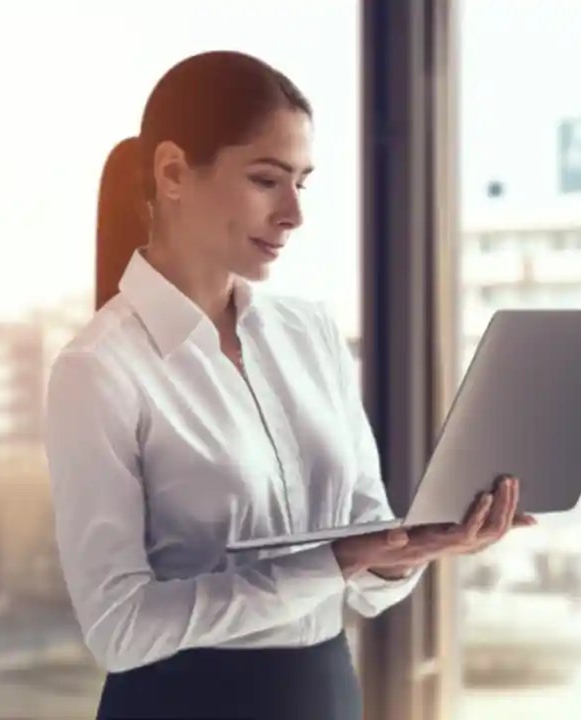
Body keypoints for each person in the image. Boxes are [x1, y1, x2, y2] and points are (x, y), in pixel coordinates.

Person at [45, 50, 535, 720]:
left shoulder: (312, 335)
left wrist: (410, 549)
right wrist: (334, 562)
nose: (293, 215)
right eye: (266, 180)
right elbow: (121, 628)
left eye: (302, 183)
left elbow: (364, 572)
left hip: (325, 692)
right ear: (173, 172)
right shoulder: (98, 368)